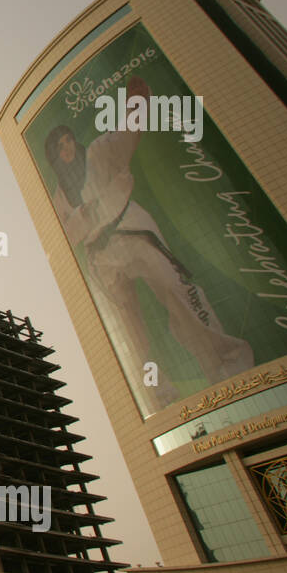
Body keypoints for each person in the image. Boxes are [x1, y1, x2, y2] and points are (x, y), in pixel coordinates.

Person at [43, 75, 253, 412]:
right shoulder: (58, 197)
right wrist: (84, 216)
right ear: (54, 156)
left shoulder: (97, 153)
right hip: (102, 255)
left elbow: (124, 137)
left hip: (131, 230)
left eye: (69, 142)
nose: (67, 150)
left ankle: (229, 366)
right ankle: (160, 398)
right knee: (132, 337)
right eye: (60, 148)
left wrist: (136, 104)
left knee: (179, 294)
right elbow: (67, 234)